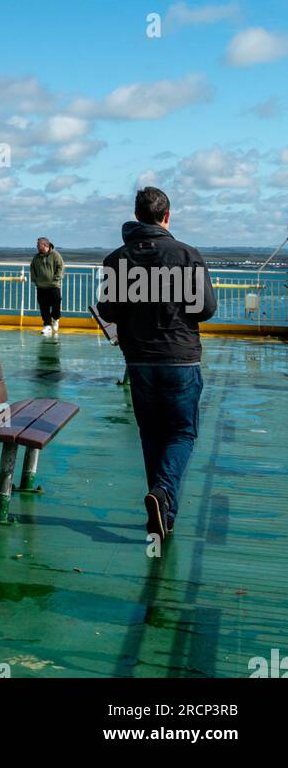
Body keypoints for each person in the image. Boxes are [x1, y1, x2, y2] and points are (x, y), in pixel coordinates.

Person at [98, 186, 217, 539]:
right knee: (182, 432)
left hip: (139, 362)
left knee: (151, 434)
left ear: (137, 215)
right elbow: (206, 309)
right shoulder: (187, 254)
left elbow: (107, 311)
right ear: (167, 216)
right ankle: (163, 494)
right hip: (181, 359)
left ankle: (164, 513)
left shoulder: (115, 260)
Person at [30, 236, 64, 336]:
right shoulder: (36, 258)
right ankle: (47, 325)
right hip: (41, 286)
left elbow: (61, 267)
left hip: (54, 285)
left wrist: (57, 278)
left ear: (45, 245)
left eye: (38, 245)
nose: (36, 247)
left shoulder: (55, 255)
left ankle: (56, 318)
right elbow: (32, 269)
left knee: (56, 303)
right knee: (43, 306)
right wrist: (35, 280)